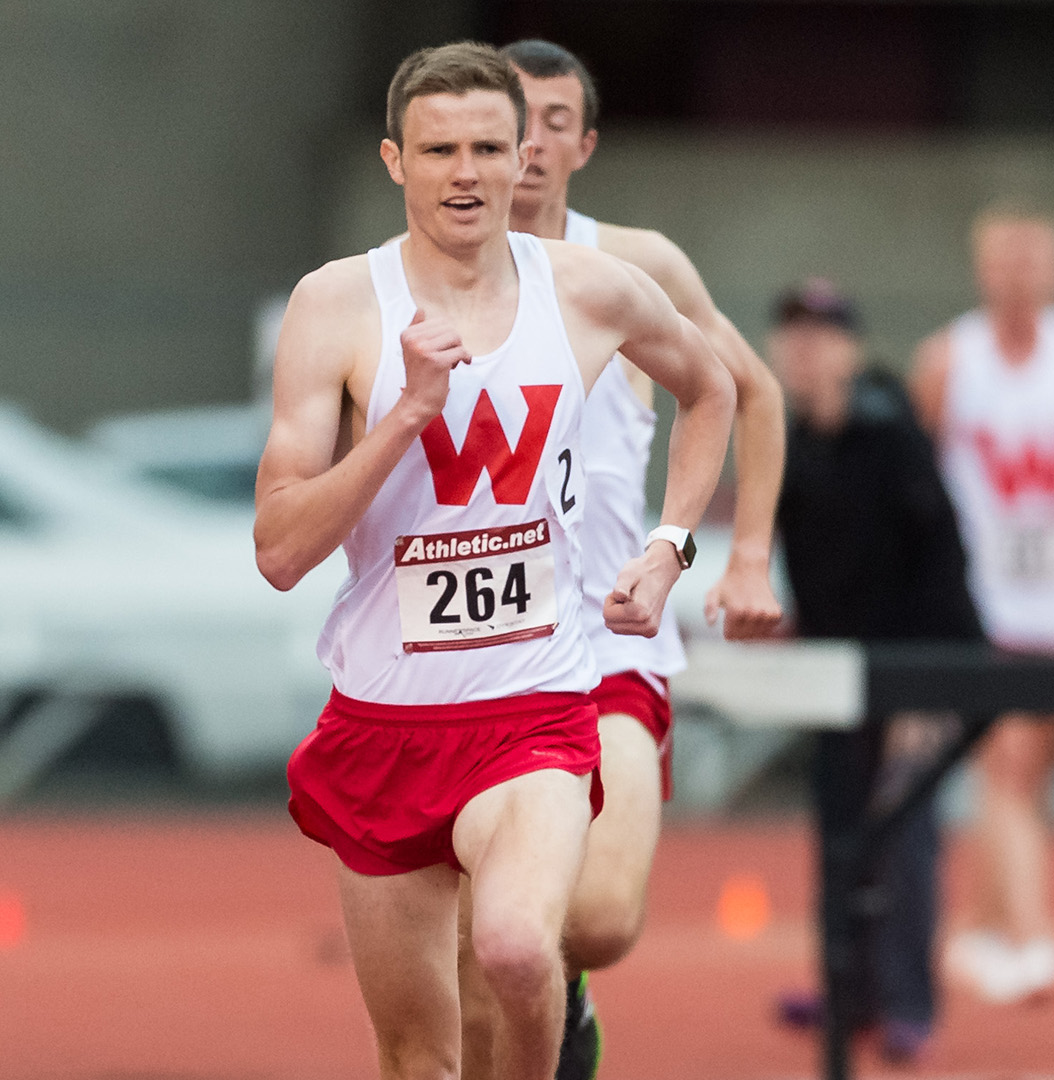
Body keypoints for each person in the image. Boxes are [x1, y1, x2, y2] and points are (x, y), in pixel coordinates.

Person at [255, 42, 734, 1080]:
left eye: (488, 147)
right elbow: (282, 550)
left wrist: (670, 547)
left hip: (536, 703)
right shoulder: (336, 307)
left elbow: (716, 387)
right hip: (385, 716)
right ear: (394, 161)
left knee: (519, 946)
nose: (466, 173)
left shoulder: (592, 290)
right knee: (419, 1056)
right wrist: (404, 417)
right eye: (439, 150)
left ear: (527, 157)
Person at [467, 37, 786, 1080]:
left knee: (595, 919)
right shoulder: (433, 273)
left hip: (611, 636)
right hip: (478, 647)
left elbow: (752, 392)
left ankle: (569, 996)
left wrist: (741, 560)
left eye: (558, 122)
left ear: (584, 143)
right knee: (489, 944)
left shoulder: (635, 265)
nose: (536, 142)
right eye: (519, 118)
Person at [910, 205, 1054, 1004]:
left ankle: (977, 930)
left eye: (1034, 260)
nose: (1020, 275)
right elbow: (912, 474)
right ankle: (1032, 937)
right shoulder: (950, 359)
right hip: (981, 601)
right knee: (1004, 763)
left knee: (1031, 772)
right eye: (1005, 260)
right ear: (983, 268)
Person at [764, 279, 985, 1063]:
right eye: (792, 335)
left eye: (822, 335)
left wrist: (929, 688)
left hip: (920, 661)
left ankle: (907, 1004)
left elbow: (941, 557)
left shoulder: (891, 431)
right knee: (839, 826)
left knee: (905, 831)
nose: (805, 349)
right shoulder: (787, 438)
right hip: (837, 670)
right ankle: (846, 991)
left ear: (852, 349)